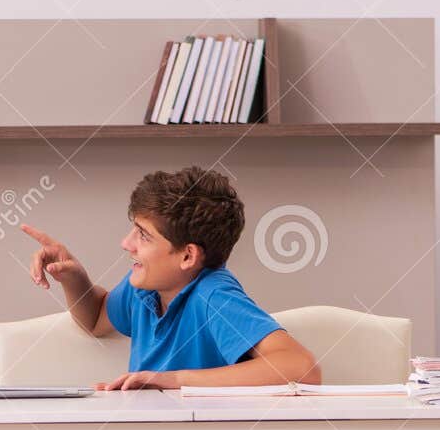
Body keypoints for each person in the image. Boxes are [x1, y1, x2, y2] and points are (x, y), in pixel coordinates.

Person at [20, 166, 319, 390]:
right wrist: (73, 276)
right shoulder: (145, 288)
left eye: (144, 236)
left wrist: (175, 380)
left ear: (187, 256)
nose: (126, 243)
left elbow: (302, 368)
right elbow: (96, 319)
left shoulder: (213, 296)